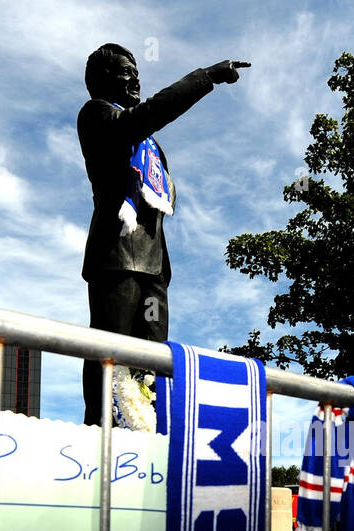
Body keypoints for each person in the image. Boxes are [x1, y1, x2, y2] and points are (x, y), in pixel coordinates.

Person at [77, 45, 249, 425]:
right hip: (117, 258)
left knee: (152, 365)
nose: (135, 78)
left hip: (154, 267)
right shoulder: (98, 115)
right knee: (110, 353)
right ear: (103, 80)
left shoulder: (150, 146)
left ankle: (149, 439)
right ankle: (100, 437)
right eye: (125, 71)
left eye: (137, 70)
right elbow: (146, 116)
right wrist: (206, 76)